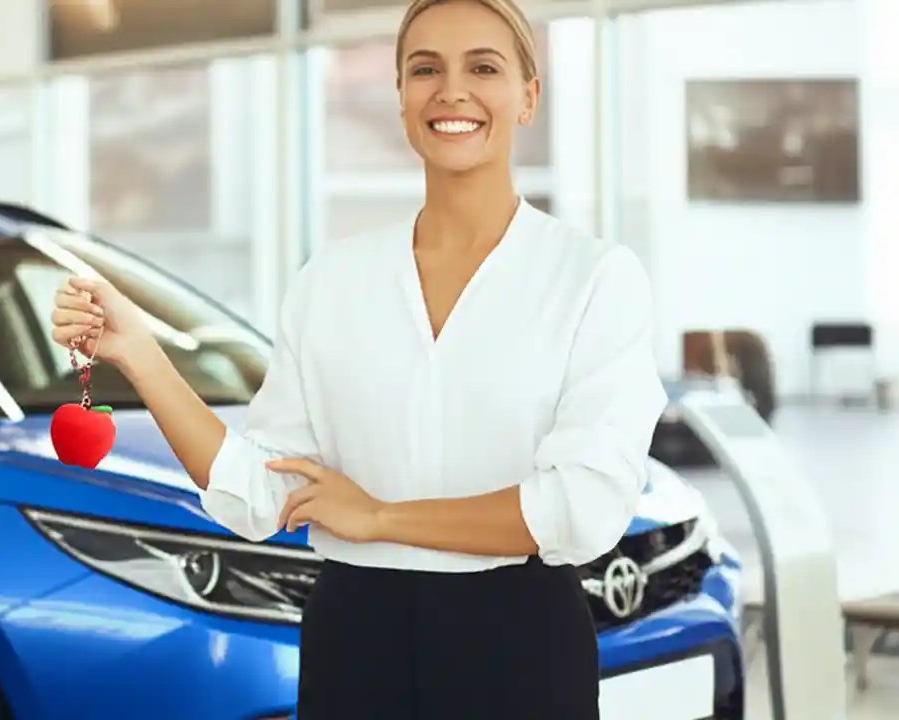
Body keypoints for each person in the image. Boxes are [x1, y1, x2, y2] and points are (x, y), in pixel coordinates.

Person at [49, 0, 668, 716]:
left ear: (529, 96)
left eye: (484, 67)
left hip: (520, 642)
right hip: (355, 640)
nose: (452, 90)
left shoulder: (593, 278)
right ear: (401, 100)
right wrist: (141, 355)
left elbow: (583, 506)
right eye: (425, 69)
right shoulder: (332, 281)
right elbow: (263, 493)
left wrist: (380, 517)